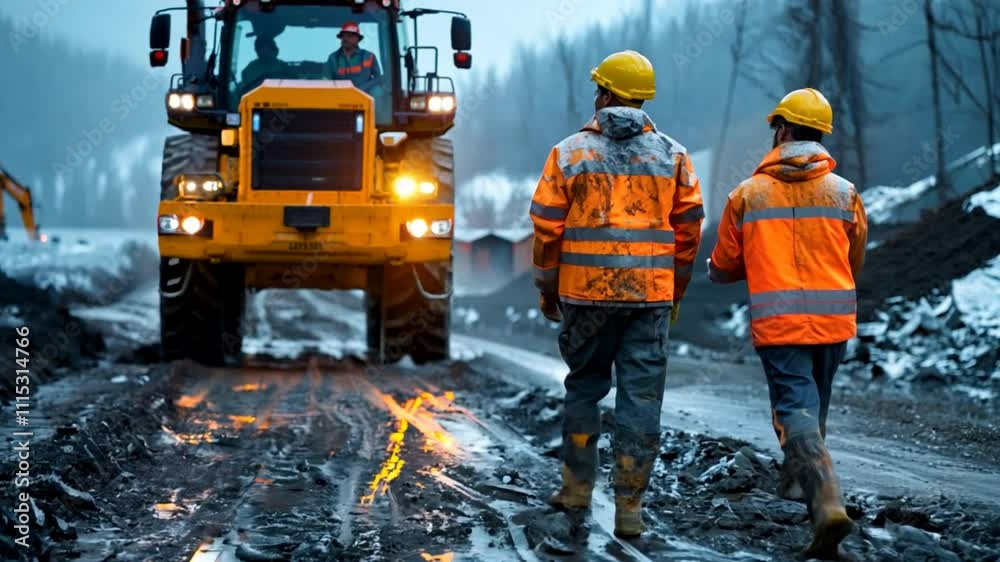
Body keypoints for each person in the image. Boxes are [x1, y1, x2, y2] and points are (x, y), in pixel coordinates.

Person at [530, 50, 704, 538]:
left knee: (585, 388)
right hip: (648, 300)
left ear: (604, 94)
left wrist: (548, 290)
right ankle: (630, 509)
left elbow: (547, 230)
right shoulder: (673, 155)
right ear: (642, 99)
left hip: (584, 299)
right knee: (641, 400)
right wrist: (675, 292)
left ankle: (575, 492)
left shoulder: (568, 153)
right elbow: (688, 233)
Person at [707, 87, 867, 559]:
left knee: (793, 409)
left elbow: (725, 263)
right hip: (834, 320)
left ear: (784, 129)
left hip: (781, 324)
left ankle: (826, 501)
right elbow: (854, 255)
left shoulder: (748, 194)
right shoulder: (845, 192)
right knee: (813, 405)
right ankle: (797, 485)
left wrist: (723, 269)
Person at [326, 22, 381, 92]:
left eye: (349, 36)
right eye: (343, 36)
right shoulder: (333, 58)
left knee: (378, 91)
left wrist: (363, 88)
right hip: (339, 97)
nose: (345, 39)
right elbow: (326, 80)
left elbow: (378, 79)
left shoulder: (369, 56)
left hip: (365, 98)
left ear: (357, 39)